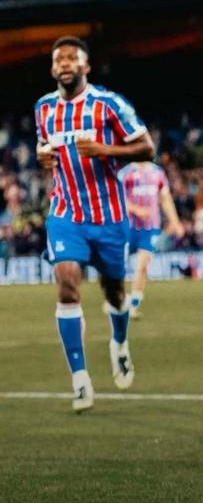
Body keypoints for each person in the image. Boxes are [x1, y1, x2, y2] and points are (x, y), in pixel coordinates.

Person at [35, 36, 154, 412]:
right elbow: (45, 148)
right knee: (67, 284)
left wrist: (105, 150)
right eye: (59, 59)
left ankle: (119, 342)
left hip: (109, 217)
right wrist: (43, 155)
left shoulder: (108, 104)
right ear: (53, 68)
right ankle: (80, 380)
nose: (65, 63)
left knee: (114, 292)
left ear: (86, 66)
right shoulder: (44, 108)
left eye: (72, 58)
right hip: (65, 214)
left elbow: (147, 148)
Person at [118, 161, 184, 319]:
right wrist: (136, 209)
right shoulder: (126, 172)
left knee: (143, 265)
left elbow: (165, 199)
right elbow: (116, 199)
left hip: (150, 228)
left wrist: (175, 221)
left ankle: (133, 305)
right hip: (126, 227)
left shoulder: (158, 173)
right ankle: (117, 300)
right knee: (118, 267)